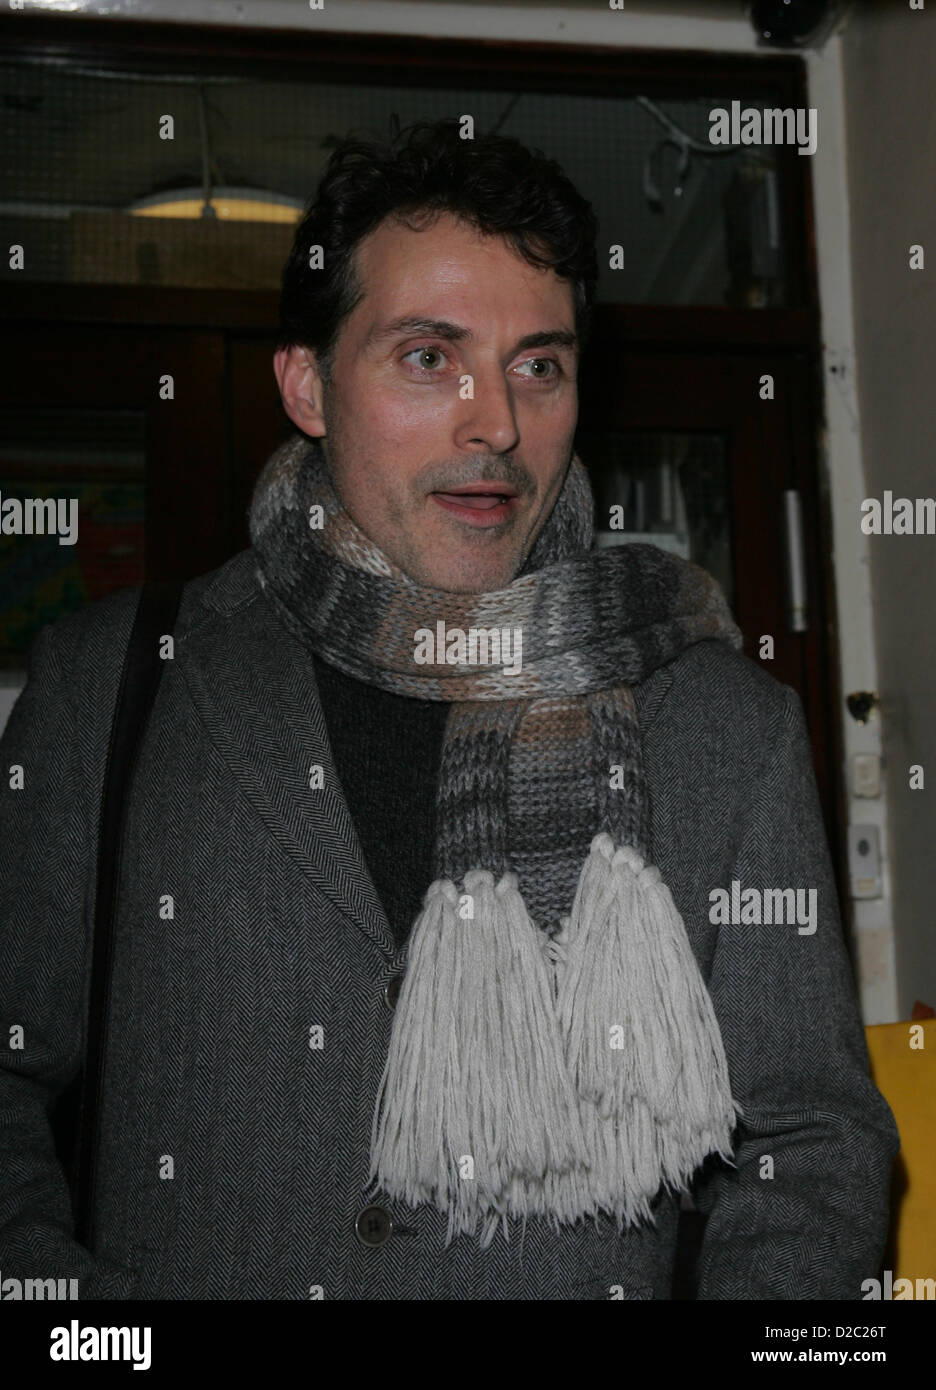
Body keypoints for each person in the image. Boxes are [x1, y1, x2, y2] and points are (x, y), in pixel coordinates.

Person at [0, 118, 898, 1300]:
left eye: (539, 363)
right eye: (431, 357)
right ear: (307, 384)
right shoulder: (111, 683)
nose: (497, 424)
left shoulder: (726, 726)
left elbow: (812, 1147)